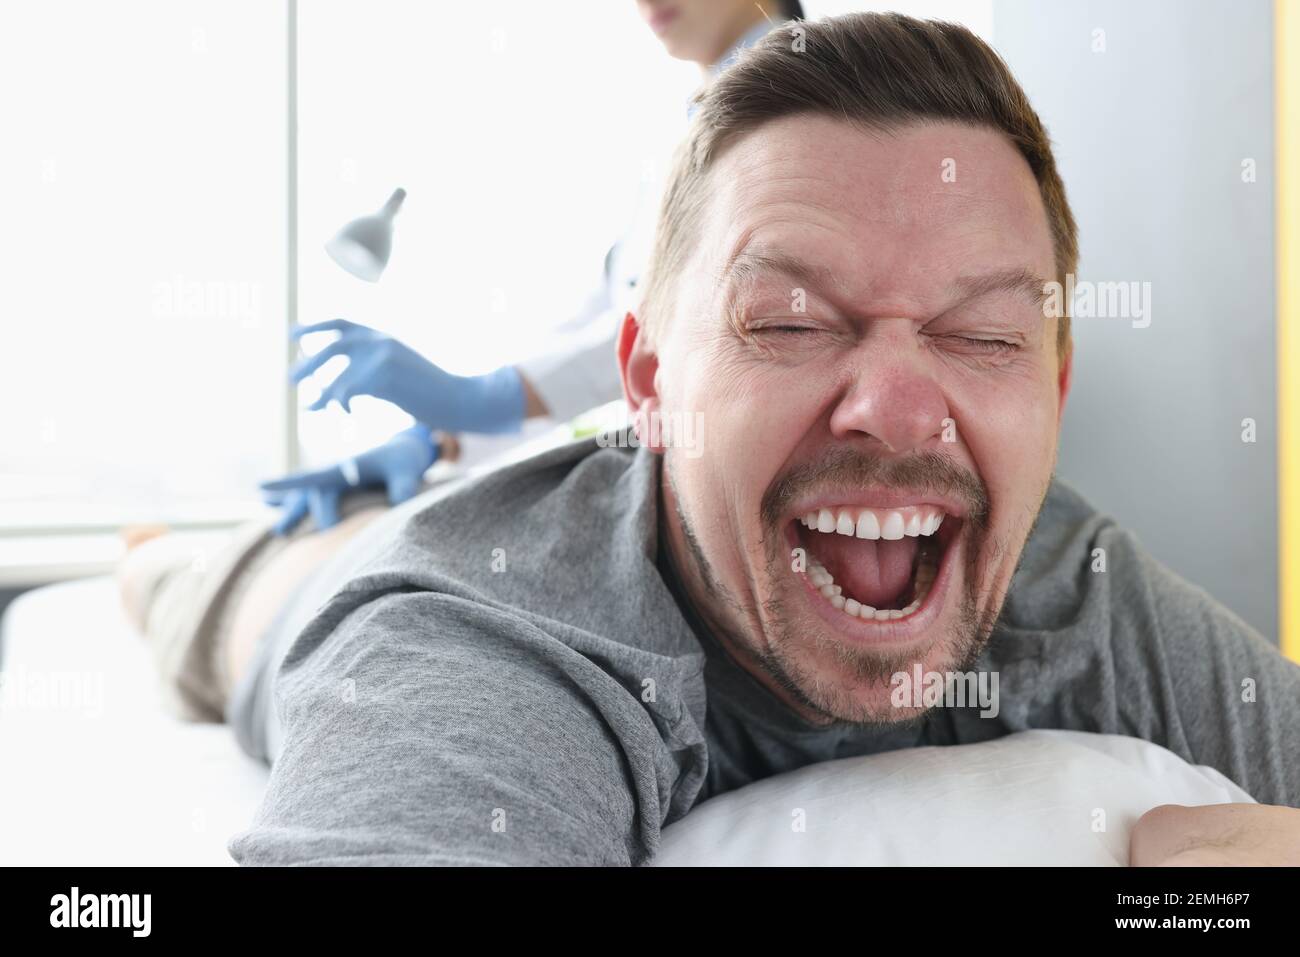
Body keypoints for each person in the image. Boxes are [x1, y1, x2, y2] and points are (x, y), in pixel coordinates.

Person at [209, 13, 1300, 866]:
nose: (899, 407)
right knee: (190, 577)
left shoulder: (1070, 589)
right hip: (282, 598)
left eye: (979, 334)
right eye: (786, 323)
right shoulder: (476, 642)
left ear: (1054, 390)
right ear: (647, 381)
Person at [265, 0, 805, 534]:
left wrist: (485, 399)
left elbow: (686, 316)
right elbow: (609, 324)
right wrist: (440, 436)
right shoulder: (690, 128)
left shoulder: (803, 104)